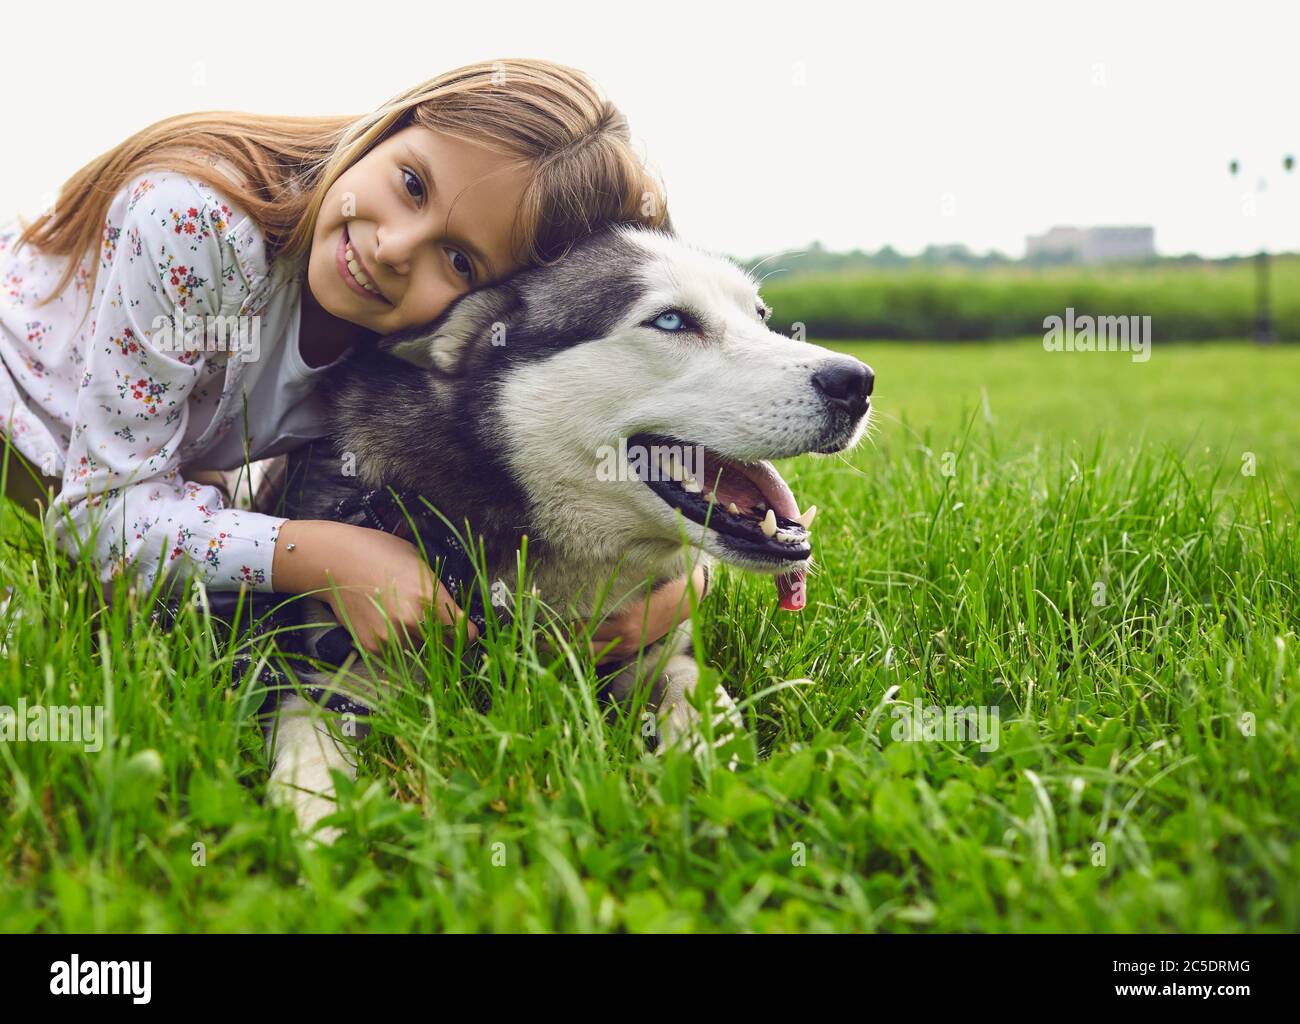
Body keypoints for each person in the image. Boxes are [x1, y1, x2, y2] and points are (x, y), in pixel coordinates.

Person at [0, 58, 706, 661]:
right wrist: (330, 557)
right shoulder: (198, 224)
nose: (394, 248)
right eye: (412, 185)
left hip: (141, 457)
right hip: (24, 422)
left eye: (459, 260)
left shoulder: (409, 345)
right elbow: (99, 515)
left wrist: (676, 593)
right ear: (393, 126)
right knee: (142, 618)